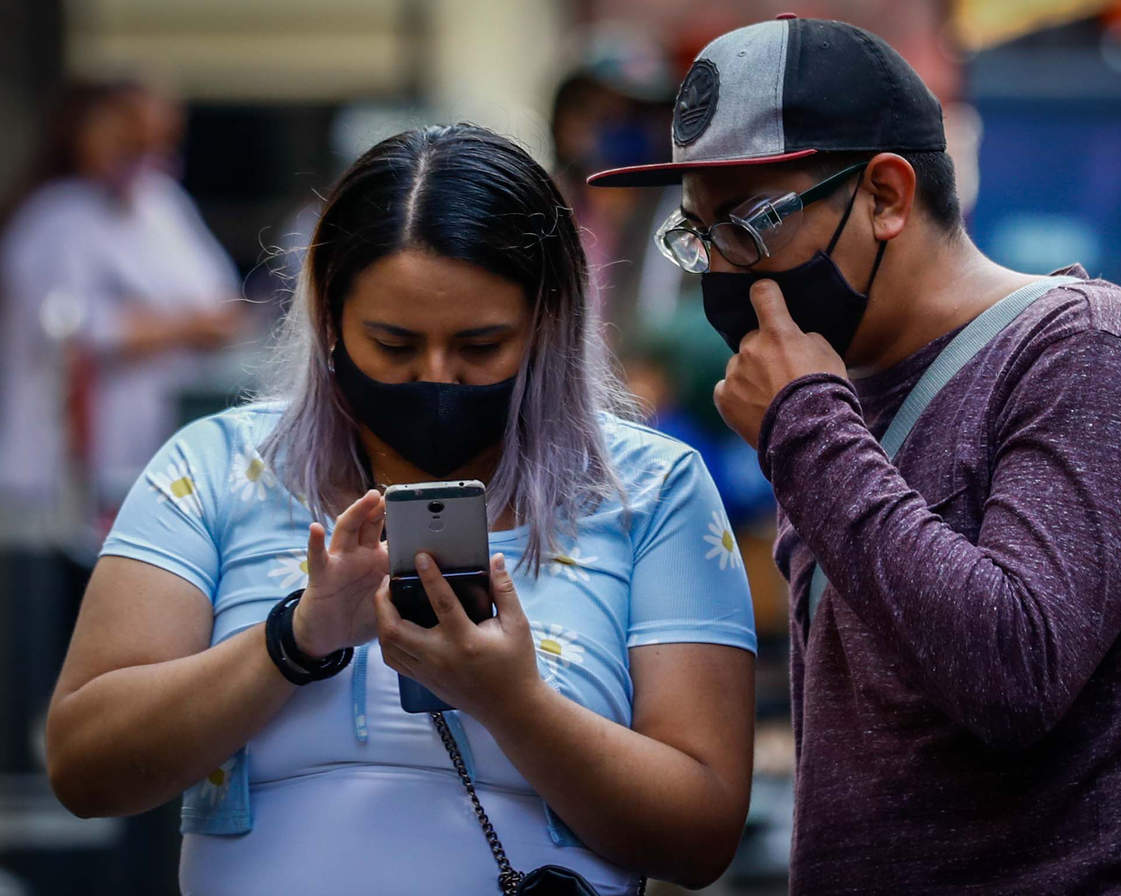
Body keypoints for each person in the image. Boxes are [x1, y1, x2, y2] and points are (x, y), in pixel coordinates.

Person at [590, 16, 1121, 895]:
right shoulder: (839, 379)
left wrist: (804, 427)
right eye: (700, 235)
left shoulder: (1091, 354)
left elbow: (1015, 670)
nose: (725, 271)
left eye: (748, 225)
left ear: (888, 196)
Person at [45, 123, 756, 895]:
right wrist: (295, 639)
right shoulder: (213, 471)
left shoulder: (649, 491)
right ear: (329, 320)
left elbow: (701, 833)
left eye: (482, 346)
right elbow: (85, 767)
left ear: (550, 324)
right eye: (393, 344)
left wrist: (513, 704)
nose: (437, 378)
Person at [0, 79, 245, 532]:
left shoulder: (161, 202)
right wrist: (184, 327)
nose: (146, 154)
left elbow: (224, 305)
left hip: (155, 453)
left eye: (159, 140)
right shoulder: (54, 215)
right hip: (67, 468)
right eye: (129, 139)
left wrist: (167, 325)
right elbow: (71, 329)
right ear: (82, 130)